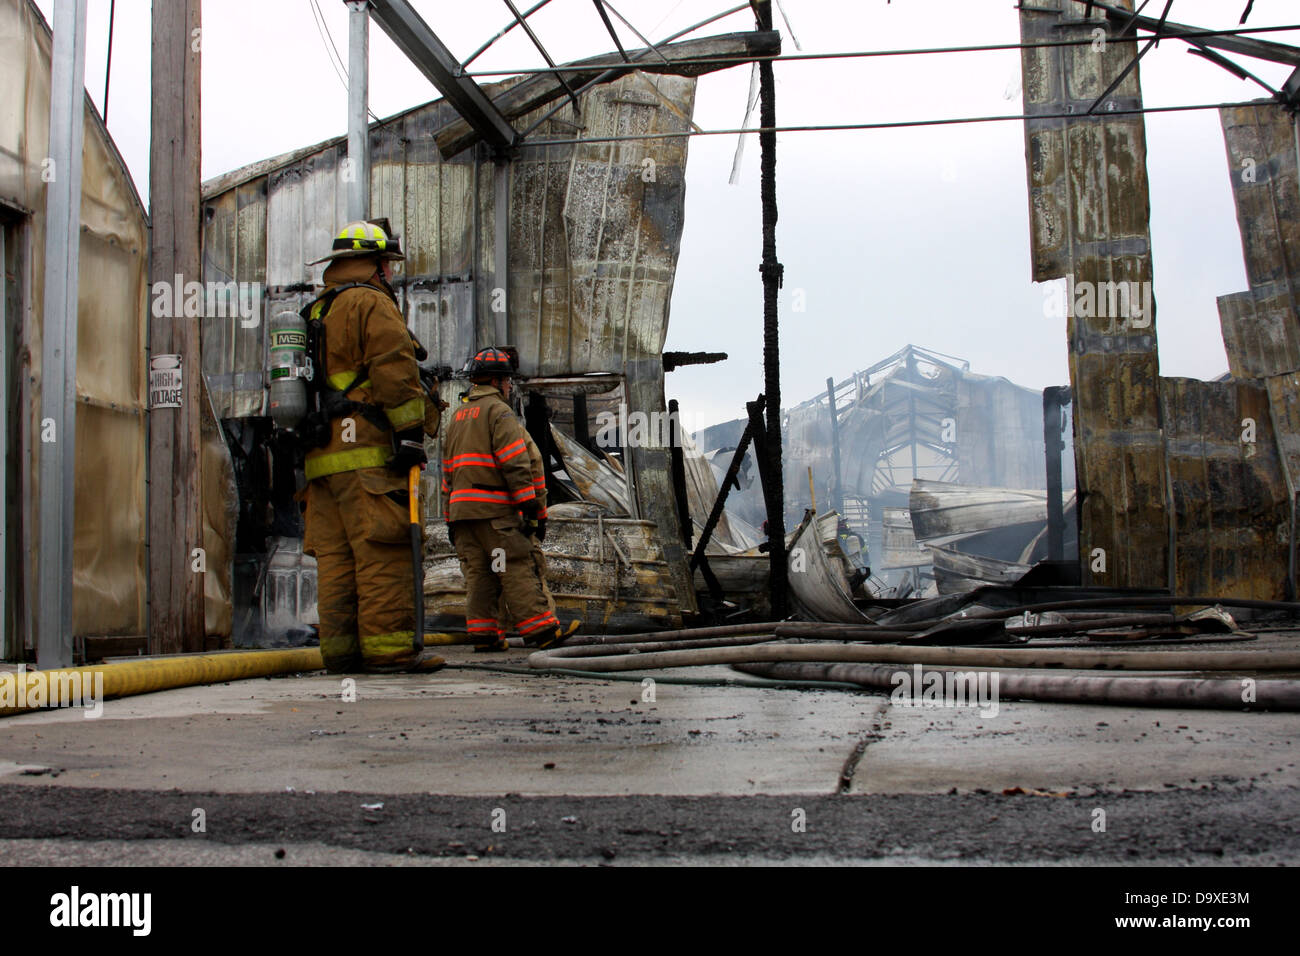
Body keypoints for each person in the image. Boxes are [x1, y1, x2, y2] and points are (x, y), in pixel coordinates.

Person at [300, 219, 444, 673]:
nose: (391, 274)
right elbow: (394, 368)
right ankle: (389, 652)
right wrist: (409, 434)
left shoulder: (314, 311)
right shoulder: (370, 302)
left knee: (337, 559)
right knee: (383, 552)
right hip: (368, 455)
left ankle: (341, 655)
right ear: (378, 264)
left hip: (323, 461)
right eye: (388, 265)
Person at [441, 347, 576, 652]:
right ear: (498, 381)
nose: (510, 386)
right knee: (514, 566)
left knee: (480, 575)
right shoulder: (498, 413)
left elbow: (447, 473)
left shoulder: (458, 417)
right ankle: (542, 631)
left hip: (463, 517)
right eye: (507, 380)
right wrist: (531, 509)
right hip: (495, 514)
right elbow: (515, 463)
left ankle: (484, 635)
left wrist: (451, 519)